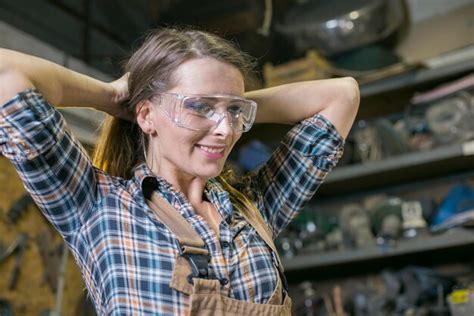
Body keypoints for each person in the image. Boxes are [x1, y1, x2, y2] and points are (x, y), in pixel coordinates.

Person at [0, 28, 359, 315]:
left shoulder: (255, 209)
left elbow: (342, 94)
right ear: (145, 116)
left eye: (235, 113)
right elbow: (6, 72)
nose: (225, 130)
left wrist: (227, 104)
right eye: (199, 107)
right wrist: (111, 97)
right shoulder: (96, 205)